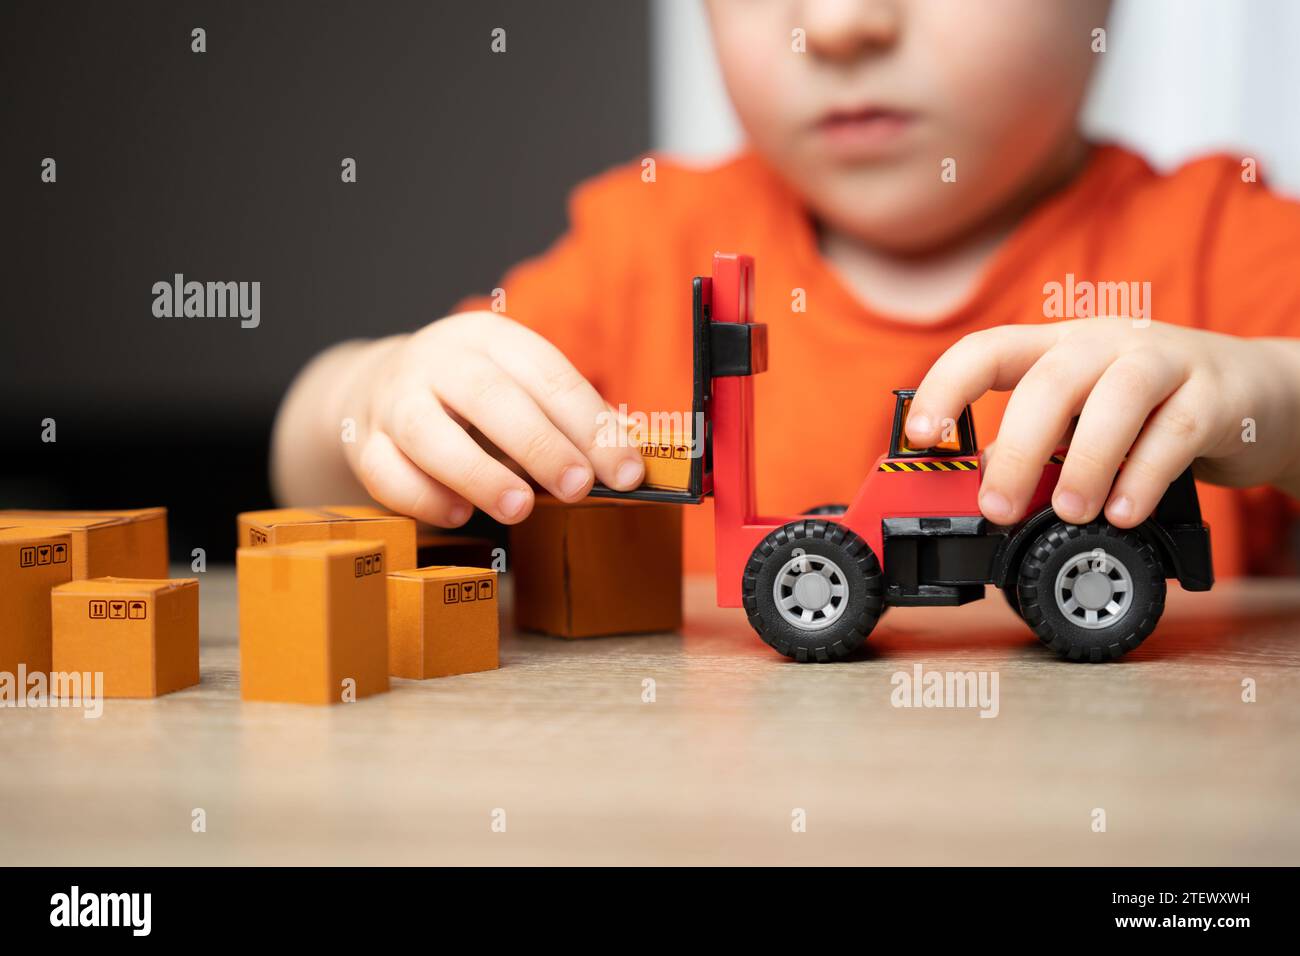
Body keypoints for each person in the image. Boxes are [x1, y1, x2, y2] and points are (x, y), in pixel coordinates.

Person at [272, 0, 1300, 576]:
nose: (842, 22)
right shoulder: (645, 242)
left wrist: (1273, 395)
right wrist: (370, 397)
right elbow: (308, 466)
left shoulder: (1225, 241)